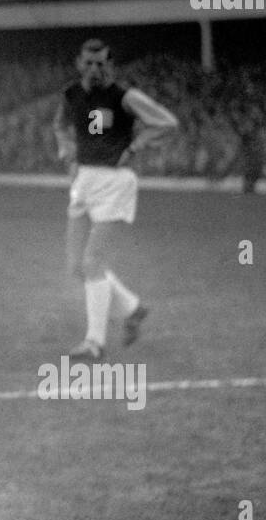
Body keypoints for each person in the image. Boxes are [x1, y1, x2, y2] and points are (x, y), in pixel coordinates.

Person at [52, 39, 178, 359]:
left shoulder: (126, 97)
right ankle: (133, 309)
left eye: (101, 63)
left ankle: (95, 343)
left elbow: (166, 122)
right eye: (89, 63)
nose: (95, 69)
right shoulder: (71, 95)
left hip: (114, 182)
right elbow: (60, 126)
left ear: (111, 65)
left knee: (94, 261)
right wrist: (67, 152)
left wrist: (135, 148)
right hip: (84, 179)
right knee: (76, 266)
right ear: (79, 63)